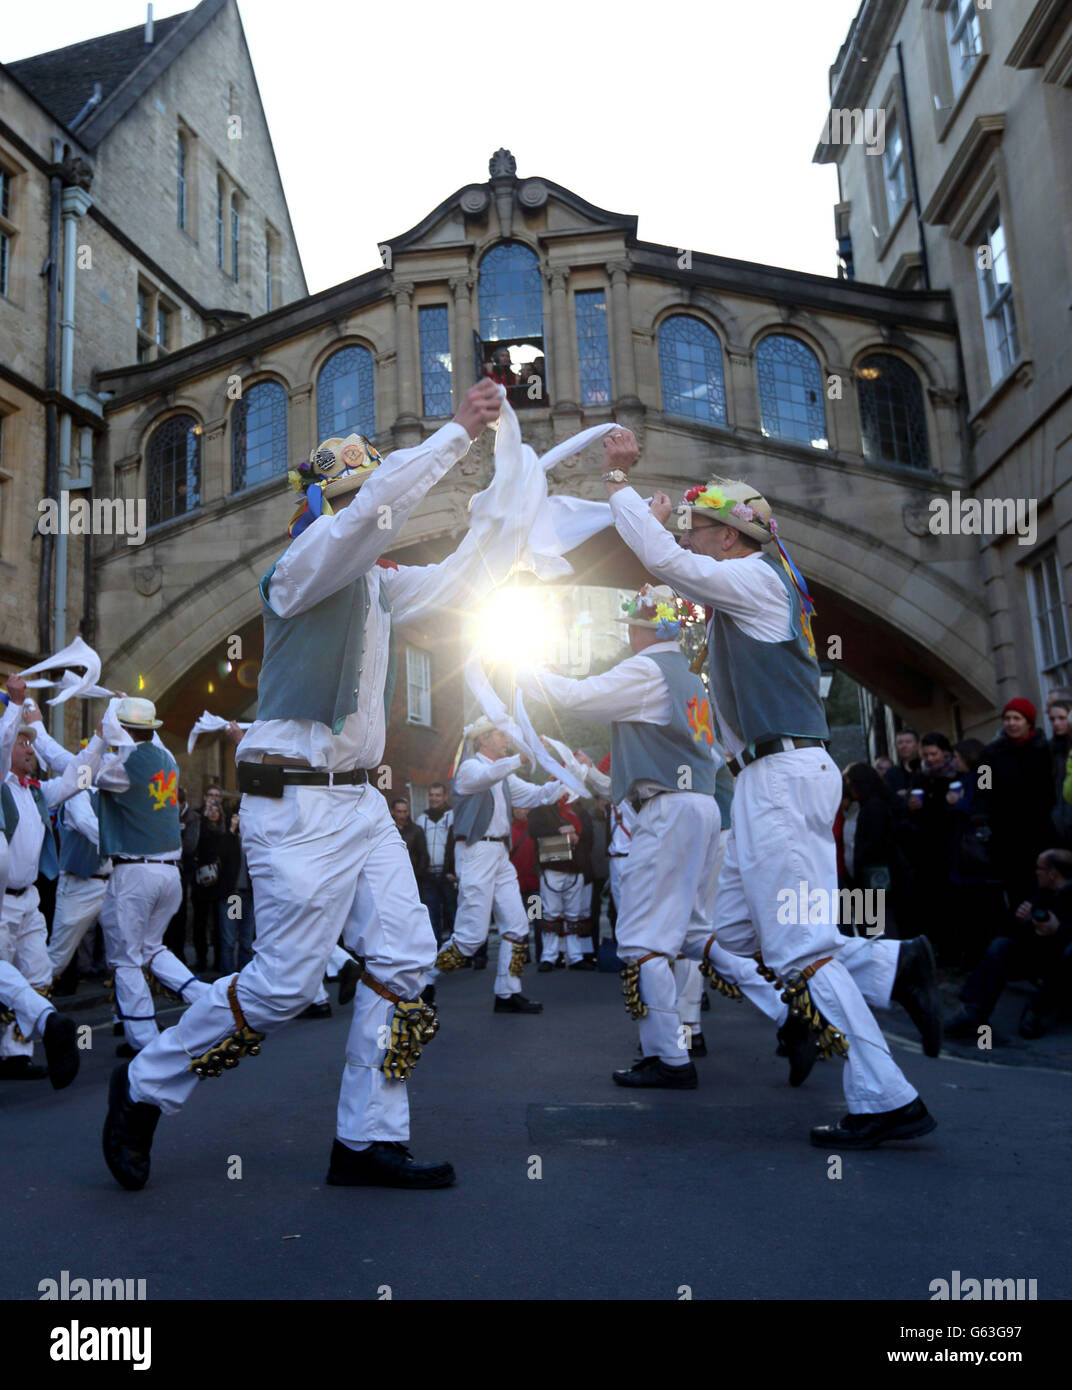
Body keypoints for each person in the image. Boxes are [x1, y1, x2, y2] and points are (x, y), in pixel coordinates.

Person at [102, 377, 529, 1193]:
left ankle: (367, 1140)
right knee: (284, 986)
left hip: (359, 804)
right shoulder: (306, 563)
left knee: (404, 962)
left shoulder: (371, 583)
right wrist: (457, 435)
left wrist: (510, 498)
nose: (375, 507)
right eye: (359, 493)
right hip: (294, 806)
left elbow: (465, 577)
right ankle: (146, 1081)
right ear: (332, 500)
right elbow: (374, 516)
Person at [598, 436, 941, 1145]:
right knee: (728, 932)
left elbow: (667, 564)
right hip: (766, 778)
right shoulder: (749, 588)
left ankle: (886, 1096)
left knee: (800, 946)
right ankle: (891, 961)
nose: (687, 535)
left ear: (729, 534)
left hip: (780, 777)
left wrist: (619, 481)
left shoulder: (754, 578)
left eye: (697, 526)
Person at [517, 583, 807, 1086]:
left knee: (643, 938)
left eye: (632, 625)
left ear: (646, 630)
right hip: (695, 807)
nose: (627, 633)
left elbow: (576, 696)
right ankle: (786, 1011)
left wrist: (525, 670)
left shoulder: (645, 670)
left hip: (666, 811)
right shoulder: (690, 681)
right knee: (695, 933)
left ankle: (669, 1058)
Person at [0, 682, 101, 1080]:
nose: (30, 749)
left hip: (27, 900)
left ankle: (15, 1052)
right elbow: (6, 734)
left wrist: (102, 735)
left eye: (31, 743)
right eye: (24, 744)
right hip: (1, 901)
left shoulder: (39, 791)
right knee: (3, 974)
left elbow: (78, 778)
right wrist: (18, 706)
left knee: (38, 973)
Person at [433, 717, 567, 1012]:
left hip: (499, 854)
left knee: (518, 925)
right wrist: (523, 756)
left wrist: (565, 779)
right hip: (476, 852)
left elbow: (535, 795)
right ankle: (422, 978)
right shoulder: (469, 768)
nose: (507, 741)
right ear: (483, 740)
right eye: (501, 736)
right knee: (471, 937)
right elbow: (488, 775)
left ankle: (508, 991)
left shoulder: (503, 775)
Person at [947, 848, 1072, 1041]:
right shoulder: (1042, 893)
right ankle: (974, 1010)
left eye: (1039, 868)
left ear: (1052, 873)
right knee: (1001, 946)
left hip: (1062, 961)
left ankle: (1035, 1011)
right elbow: (1014, 930)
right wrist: (1024, 919)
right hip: (1040, 954)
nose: (1036, 872)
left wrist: (1059, 928)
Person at [979, 698, 1054, 910]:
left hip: (1040, 832)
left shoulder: (1043, 751)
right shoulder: (989, 755)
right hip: (1006, 835)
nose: (1011, 723)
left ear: (1028, 722)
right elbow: (982, 788)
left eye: (1016, 718)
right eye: (1007, 719)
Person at [528, 789, 594, 971]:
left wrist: (578, 836)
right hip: (552, 865)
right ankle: (549, 956)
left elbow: (589, 833)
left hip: (575, 865)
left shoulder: (579, 809)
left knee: (574, 913)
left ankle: (575, 955)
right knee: (551, 912)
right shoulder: (541, 809)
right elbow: (534, 830)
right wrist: (559, 831)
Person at [416, 783, 455, 945]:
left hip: (449, 875)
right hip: (428, 875)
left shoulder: (453, 816)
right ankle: (435, 952)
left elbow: (456, 847)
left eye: (438, 795)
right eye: (431, 795)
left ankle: (457, 951)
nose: (434, 798)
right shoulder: (421, 819)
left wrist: (453, 870)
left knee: (454, 914)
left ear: (445, 797)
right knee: (431, 916)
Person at [390, 798, 429, 882]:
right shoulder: (387, 831)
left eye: (405, 811)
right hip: (393, 876)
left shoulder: (416, 830)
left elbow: (423, 855)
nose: (402, 815)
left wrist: (416, 875)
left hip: (414, 877)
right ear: (392, 811)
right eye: (399, 811)